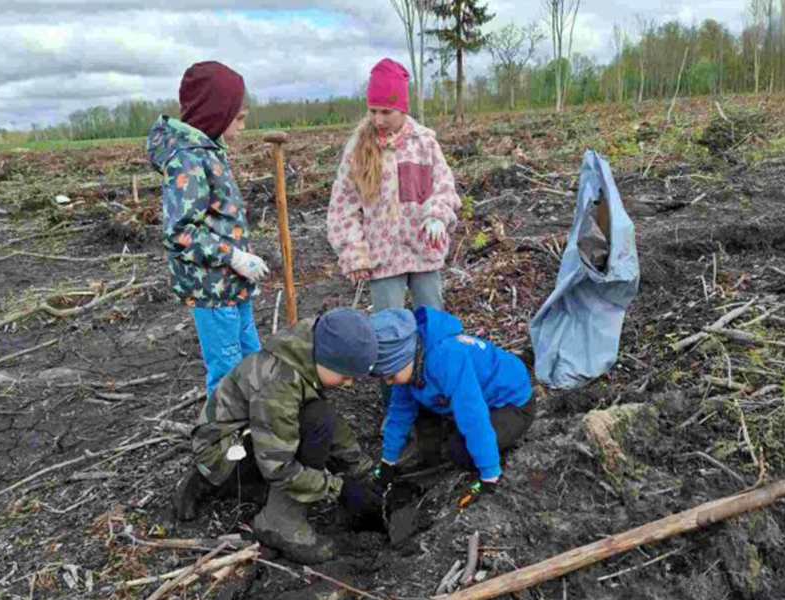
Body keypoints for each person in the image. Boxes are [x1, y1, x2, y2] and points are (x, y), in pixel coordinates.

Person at [172, 308, 382, 564]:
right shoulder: (280, 386)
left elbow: (329, 421)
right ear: (325, 360)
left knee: (318, 415)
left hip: (241, 436)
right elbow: (279, 468)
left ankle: (214, 481)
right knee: (316, 422)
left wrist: (361, 470)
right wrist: (338, 489)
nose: (349, 384)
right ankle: (280, 522)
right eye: (346, 376)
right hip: (223, 450)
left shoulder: (307, 350)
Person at [148, 61, 270, 398]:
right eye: (240, 118)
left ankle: (260, 422)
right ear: (217, 113)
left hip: (231, 285)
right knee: (228, 372)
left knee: (252, 360)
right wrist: (232, 256)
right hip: (212, 291)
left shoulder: (208, 151)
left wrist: (238, 261)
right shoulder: (187, 159)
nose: (243, 127)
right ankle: (225, 438)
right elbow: (180, 232)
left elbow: (216, 217)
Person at [327, 58, 461, 313]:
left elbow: (444, 186)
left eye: (386, 112)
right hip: (383, 257)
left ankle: (433, 353)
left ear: (402, 109)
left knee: (433, 320)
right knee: (389, 328)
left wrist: (438, 216)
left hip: (424, 252)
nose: (378, 119)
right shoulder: (358, 148)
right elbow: (342, 206)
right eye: (373, 111)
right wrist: (354, 251)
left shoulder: (425, 143)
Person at [370, 307, 537, 508]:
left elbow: (473, 415)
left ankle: (486, 454)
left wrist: (489, 473)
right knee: (424, 422)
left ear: (406, 358)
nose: (388, 382)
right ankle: (435, 460)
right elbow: (399, 413)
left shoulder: (447, 358)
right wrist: (388, 461)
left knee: (461, 451)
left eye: (390, 375)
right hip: (468, 396)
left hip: (510, 402)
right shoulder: (410, 360)